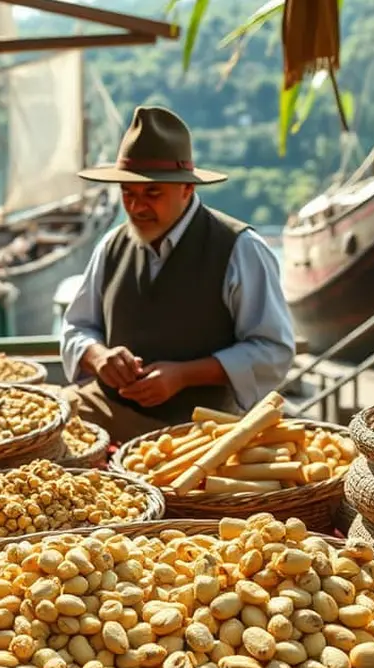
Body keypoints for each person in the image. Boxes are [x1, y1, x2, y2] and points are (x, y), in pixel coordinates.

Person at [59, 106, 296, 441]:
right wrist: (99, 358)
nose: (137, 207)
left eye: (152, 193)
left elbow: (273, 352)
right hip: (105, 408)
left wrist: (184, 375)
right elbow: (76, 327)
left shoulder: (239, 248)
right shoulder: (111, 245)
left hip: (199, 429)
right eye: (128, 193)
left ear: (187, 189)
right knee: (43, 421)